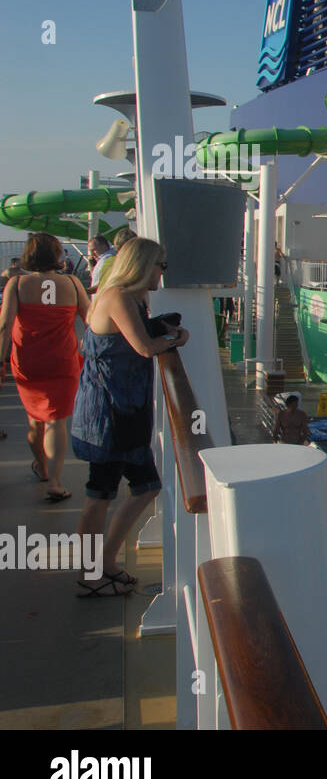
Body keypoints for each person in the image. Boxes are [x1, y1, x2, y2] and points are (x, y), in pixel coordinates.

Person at [70, 237, 188, 597]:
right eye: (160, 266)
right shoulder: (118, 297)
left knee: (145, 487)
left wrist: (164, 329)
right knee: (100, 494)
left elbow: (139, 336)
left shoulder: (132, 299)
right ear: (143, 266)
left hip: (125, 411)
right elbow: (144, 347)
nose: (162, 273)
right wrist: (176, 340)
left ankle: (104, 561)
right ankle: (90, 574)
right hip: (108, 414)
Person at [0, 233, 90, 501]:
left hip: (28, 363)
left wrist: (1, 359)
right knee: (56, 421)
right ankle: (55, 481)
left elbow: (5, 325)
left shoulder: (16, 284)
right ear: (57, 255)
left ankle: (41, 467)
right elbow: (91, 320)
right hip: (62, 361)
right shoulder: (72, 283)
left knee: (34, 420)